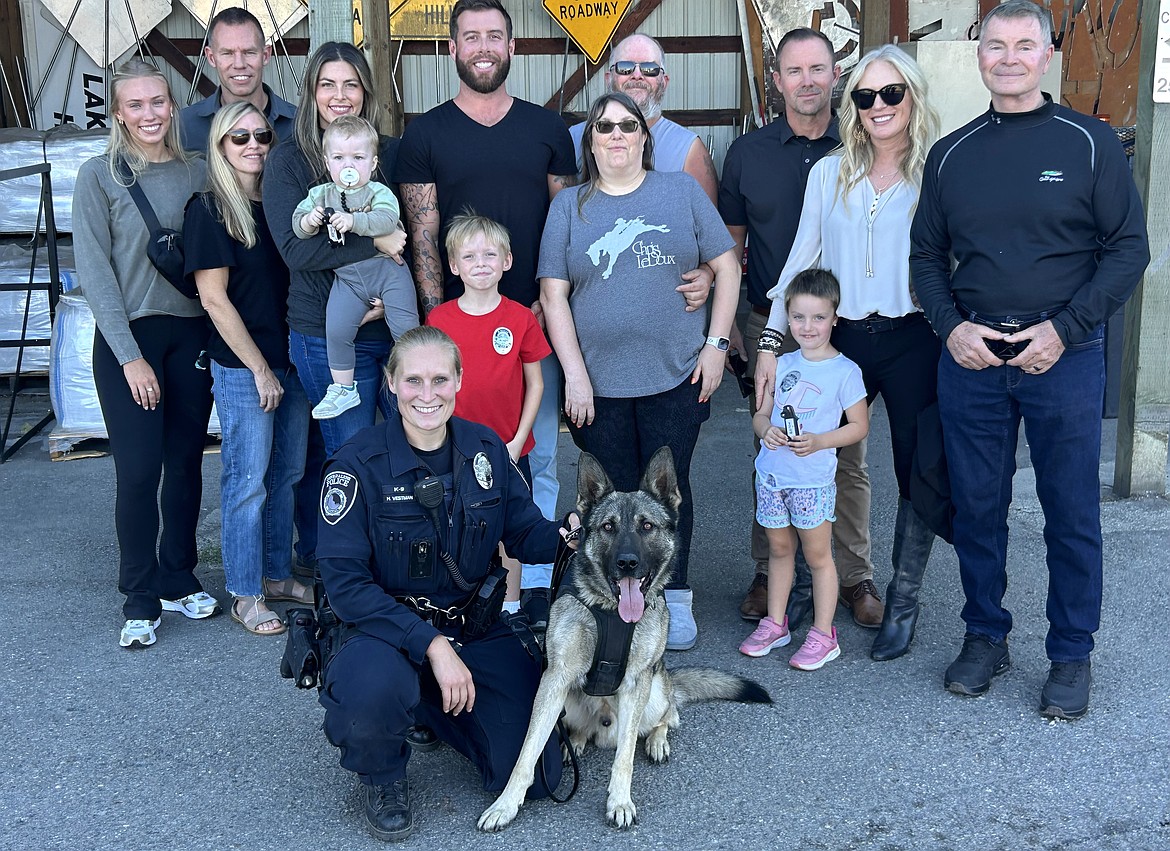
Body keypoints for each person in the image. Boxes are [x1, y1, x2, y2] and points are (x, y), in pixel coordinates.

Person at [910, 0, 1148, 718]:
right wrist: (951, 327)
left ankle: (1071, 653)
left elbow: (1127, 250)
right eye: (995, 45)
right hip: (973, 356)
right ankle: (985, 634)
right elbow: (925, 256)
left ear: (1048, 56)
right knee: (978, 506)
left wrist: (1065, 328)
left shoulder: (1089, 142)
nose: (1008, 57)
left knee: (1068, 509)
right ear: (978, 54)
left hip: (1063, 357)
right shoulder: (952, 152)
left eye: (1024, 45)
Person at [316, 326, 579, 842]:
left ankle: (431, 709)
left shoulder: (484, 449)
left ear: (459, 380)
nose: (427, 394)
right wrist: (431, 646)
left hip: (473, 628)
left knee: (542, 777)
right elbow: (345, 586)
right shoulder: (356, 466)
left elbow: (524, 530)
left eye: (440, 378)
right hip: (385, 632)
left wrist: (575, 539)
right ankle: (385, 772)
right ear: (391, 384)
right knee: (371, 695)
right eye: (413, 380)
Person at [754, 45, 942, 662]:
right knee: (821, 457)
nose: (879, 106)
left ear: (912, 98)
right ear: (851, 105)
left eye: (892, 94)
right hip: (843, 340)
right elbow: (800, 260)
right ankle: (815, 585)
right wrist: (768, 345)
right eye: (865, 96)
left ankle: (901, 599)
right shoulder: (828, 173)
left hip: (913, 337)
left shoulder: (936, 171)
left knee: (917, 467)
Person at [538, 92, 740, 650]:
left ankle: (674, 598)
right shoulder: (569, 207)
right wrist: (574, 374)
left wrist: (717, 345)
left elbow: (726, 266)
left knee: (668, 494)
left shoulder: (678, 191)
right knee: (608, 501)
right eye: (603, 127)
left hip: (676, 376)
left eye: (628, 125)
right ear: (590, 140)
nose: (616, 134)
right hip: (597, 387)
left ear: (645, 136)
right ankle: (611, 602)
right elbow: (553, 295)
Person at [397, 0, 576, 627]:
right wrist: (430, 327)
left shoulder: (547, 129)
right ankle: (466, 579)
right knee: (456, 460)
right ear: (453, 49)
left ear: (512, 47)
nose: (483, 47)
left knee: (536, 456)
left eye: (494, 36)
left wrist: (555, 308)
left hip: (531, 322)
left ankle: (539, 583)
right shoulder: (424, 135)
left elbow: (565, 226)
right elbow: (424, 234)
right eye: (471, 36)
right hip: (458, 330)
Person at [720, 28, 883, 632]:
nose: (808, 81)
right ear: (778, 79)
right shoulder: (748, 154)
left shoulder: (867, 142)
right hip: (773, 323)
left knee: (848, 455)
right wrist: (739, 325)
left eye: (819, 68)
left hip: (844, 322)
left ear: (835, 74)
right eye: (795, 71)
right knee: (772, 449)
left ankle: (854, 574)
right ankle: (770, 569)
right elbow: (731, 250)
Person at [73, 59, 214, 648]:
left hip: (190, 336)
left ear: (172, 105)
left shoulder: (200, 172)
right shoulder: (98, 175)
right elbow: (96, 271)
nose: (149, 114)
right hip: (128, 339)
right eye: (136, 105)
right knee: (137, 470)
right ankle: (139, 592)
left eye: (158, 102)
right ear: (117, 112)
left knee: (185, 462)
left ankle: (178, 574)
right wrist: (130, 356)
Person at [184, 101, 313, 635]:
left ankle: (277, 574)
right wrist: (260, 369)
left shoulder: (280, 204)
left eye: (262, 135)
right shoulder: (211, 209)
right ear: (219, 146)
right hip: (244, 368)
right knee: (247, 481)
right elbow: (214, 300)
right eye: (239, 138)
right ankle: (245, 591)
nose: (254, 144)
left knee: (288, 475)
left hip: (292, 357)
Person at [263, 42, 409, 455]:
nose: (340, 96)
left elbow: (412, 235)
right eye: (327, 85)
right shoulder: (288, 161)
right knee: (352, 455)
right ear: (312, 92)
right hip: (322, 331)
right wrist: (376, 240)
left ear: (366, 92)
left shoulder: (390, 152)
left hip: (390, 319)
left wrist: (390, 294)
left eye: (351, 84)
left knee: (415, 450)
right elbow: (295, 251)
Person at [740, 269, 868, 669]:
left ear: (835, 318)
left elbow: (859, 427)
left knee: (817, 557)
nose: (807, 326)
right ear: (787, 318)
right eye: (798, 317)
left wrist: (819, 441)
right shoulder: (779, 363)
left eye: (817, 318)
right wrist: (767, 431)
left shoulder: (845, 371)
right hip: (773, 477)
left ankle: (824, 633)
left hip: (811, 482)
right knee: (779, 550)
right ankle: (776, 624)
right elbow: (760, 415)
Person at [427, 214, 550, 611]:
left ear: (507, 261)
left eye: (489, 254)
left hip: (508, 450)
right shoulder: (440, 319)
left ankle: (510, 609)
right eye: (469, 255)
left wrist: (516, 443)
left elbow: (537, 384)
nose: (480, 262)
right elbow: (435, 385)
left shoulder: (520, 318)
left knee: (508, 529)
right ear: (454, 266)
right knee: (457, 525)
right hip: (455, 449)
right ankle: (459, 605)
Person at [293, 115, 418, 420]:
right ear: (327, 161)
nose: (348, 165)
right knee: (336, 330)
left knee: (406, 329)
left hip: (388, 272)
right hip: (348, 281)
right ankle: (343, 388)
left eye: (358, 157)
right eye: (339, 157)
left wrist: (354, 221)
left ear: (373, 163)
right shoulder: (319, 194)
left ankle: (414, 377)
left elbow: (387, 221)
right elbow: (298, 225)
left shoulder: (378, 192)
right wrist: (309, 221)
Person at [569, 33, 718, 202]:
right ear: (608, 78)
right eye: (625, 67)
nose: (637, 75)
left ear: (664, 81)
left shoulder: (689, 150)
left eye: (649, 69)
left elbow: (705, 224)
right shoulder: (573, 139)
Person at [179, 7, 296, 154]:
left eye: (249, 52)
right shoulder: (183, 127)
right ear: (211, 57)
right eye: (227, 53)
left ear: (265, 55)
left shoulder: (300, 126)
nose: (239, 64)